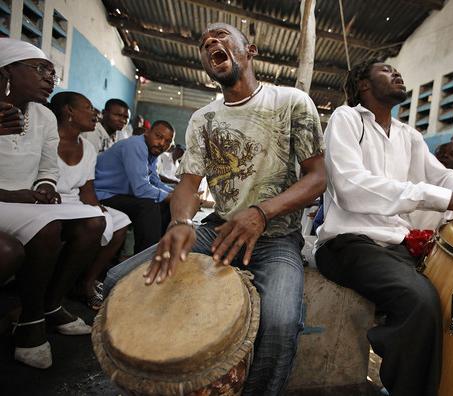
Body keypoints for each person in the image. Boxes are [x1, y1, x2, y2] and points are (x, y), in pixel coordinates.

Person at [103, 22, 325, 396]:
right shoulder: (203, 119)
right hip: (216, 229)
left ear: (249, 50)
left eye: (221, 36)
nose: (211, 43)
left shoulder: (290, 102)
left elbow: (317, 177)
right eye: (205, 43)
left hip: (276, 239)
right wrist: (181, 220)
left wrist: (262, 212)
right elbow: (189, 184)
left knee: (281, 323)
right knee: (116, 282)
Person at [314, 59, 453, 396]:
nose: (396, 72)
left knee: (445, 302)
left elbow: (440, 174)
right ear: (364, 85)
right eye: (385, 70)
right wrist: (447, 200)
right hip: (346, 243)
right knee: (419, 300)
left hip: (392, 246)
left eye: (397, 69)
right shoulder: (347, 119)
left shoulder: (408, 135)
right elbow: (351, 188)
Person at [0, 38, 105, 369]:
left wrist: (45, 186)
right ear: (7, 72)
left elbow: (47, 169)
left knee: (94, 221)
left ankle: (51, 304)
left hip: (25, 201)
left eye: (52, 71)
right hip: (9, 201)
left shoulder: (44, 116)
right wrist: (15, 195)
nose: (50, 78)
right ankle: (31, 323)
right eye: (40, 69)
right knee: (47, 226)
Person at [49, 91, 132, 309]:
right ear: (69, 111)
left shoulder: (87, 147)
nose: (93, 113)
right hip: (51, 199)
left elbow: (87, 190)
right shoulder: (49, 140)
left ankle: (88, 280)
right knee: (97, 220)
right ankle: (61, 291)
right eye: (88, 108)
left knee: (120, 219)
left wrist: (98, 206)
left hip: (75, 200)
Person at [94, 121, 174, 253]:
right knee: (148, 205)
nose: (162, 144)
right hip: (103, 193)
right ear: (147, 132)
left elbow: (155, 181)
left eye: (167, 141)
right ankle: (143, 260)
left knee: (165, 204)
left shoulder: (151, 152)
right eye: (159, 136)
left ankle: (158, 252)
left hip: (119, 194)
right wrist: (172, 197)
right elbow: (141, 189)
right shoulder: (136, 145)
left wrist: (177, 195)